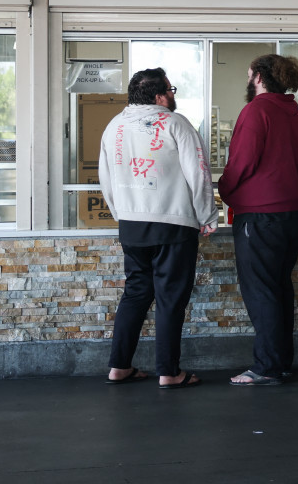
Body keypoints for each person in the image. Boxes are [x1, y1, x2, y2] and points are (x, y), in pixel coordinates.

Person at [98, 68, 217, 389]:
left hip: (131, 223)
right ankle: (169, 372)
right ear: (159, 96)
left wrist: (121, 213)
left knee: (135, 294)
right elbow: (199, 174)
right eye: (171, 89)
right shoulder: (176, 124)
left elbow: (105, 178)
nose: (173, 94)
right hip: (173, 223)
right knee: (170, 299)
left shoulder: (114, 126)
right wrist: (207, 216)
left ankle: (119, 367)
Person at [219, 54, 298, 386]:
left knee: (262, 291)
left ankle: (267, 367)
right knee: (280, 288)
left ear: (258, 77)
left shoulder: (256, 111)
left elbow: (241, 162)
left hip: (260, 214)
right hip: (293, 213)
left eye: (249, 75)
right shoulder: (295, 114)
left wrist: (224, 189)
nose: (247, 80)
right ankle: (280, 363)